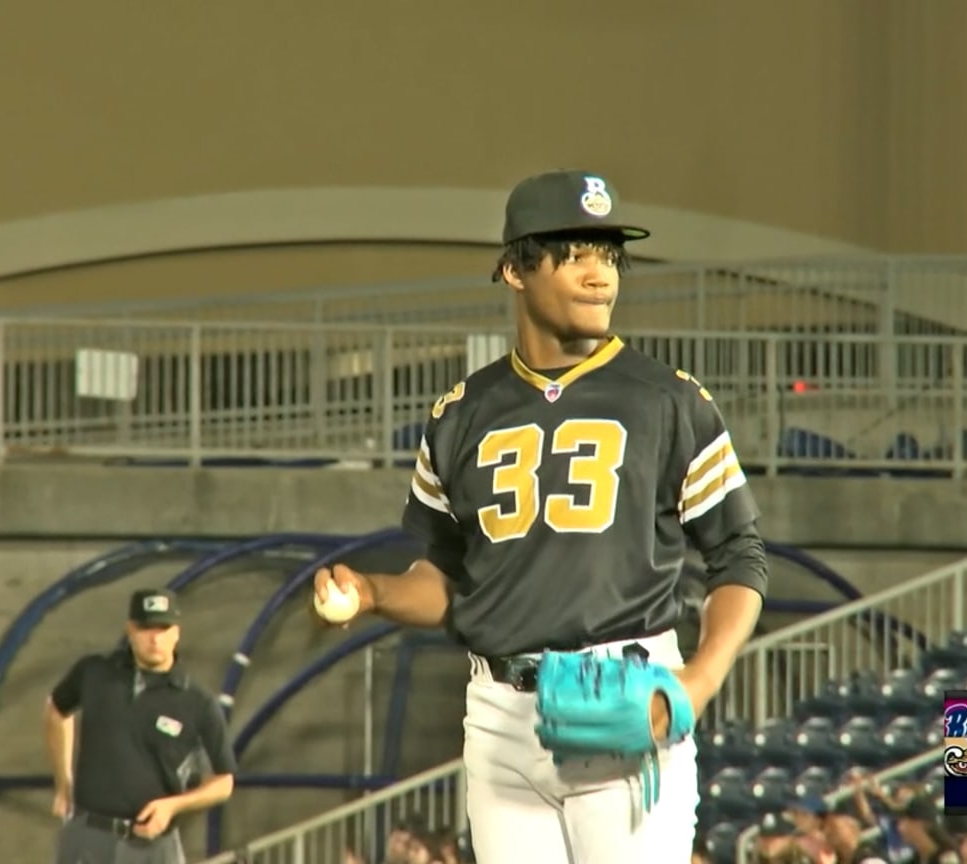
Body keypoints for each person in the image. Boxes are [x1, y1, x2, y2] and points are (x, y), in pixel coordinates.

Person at [316, 169, 768, 863]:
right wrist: (372, 593)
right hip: (498, 718)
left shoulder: (668, 399)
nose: (601, 276)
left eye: (610, 255)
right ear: (514, 269)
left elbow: (739, 553)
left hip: (623, 698)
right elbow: (449, 579)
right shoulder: (459, 413)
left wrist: (697, 683)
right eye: (575, 254)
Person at [44, 588, 238, 864]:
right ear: (130, 629)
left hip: (153, 846)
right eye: (146, 628)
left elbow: (224, 782)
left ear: (176, 633)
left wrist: (172, 806)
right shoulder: (95, 673)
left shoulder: (197, 702)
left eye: (163, 628)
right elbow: (56, 709)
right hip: (87, 837)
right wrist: (63, 782)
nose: (155, 638)